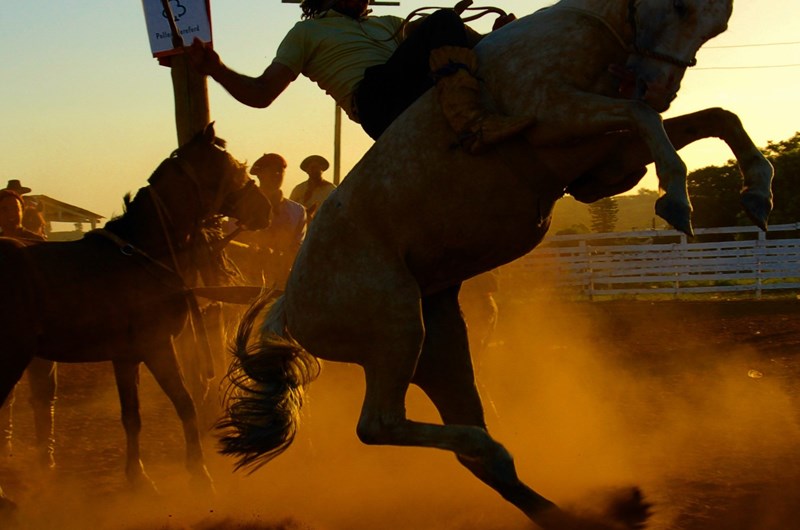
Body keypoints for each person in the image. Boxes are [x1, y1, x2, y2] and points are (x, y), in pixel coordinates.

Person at [187, 0, 532, 153]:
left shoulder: (389, 24)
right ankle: (471, 123)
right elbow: (261, 93)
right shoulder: (305, 33)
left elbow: (457, 47)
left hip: (417, 93)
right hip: (375, 102)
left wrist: (498, 37)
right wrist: (216, 69)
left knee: (449, 28)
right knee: (441, 19)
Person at [0, 188, 57, 469]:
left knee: (43, 392)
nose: (12, 214)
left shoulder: (38, 243)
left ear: (23, 211)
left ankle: (44, 450)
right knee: (5, 394)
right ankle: (4, 449)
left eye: (16, 209)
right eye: (6, 210)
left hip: (39, 329)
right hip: (6, 331)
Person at [240, 153, 307, 288]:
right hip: (245, 279)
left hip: (283, 282)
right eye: (271, 170)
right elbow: (234, 240)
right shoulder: (241, 207)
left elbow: (298, 247)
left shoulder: (298, 211)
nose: (276, 174)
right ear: (259, 174)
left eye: (280, 171)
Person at [289, 155, 336, 221]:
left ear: (322, 169)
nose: (314, 170)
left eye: (316, 167)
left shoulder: (331, 189)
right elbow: (290, 209)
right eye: (311, 168)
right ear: (307, 170)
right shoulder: (299, 189)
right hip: (302, 226)